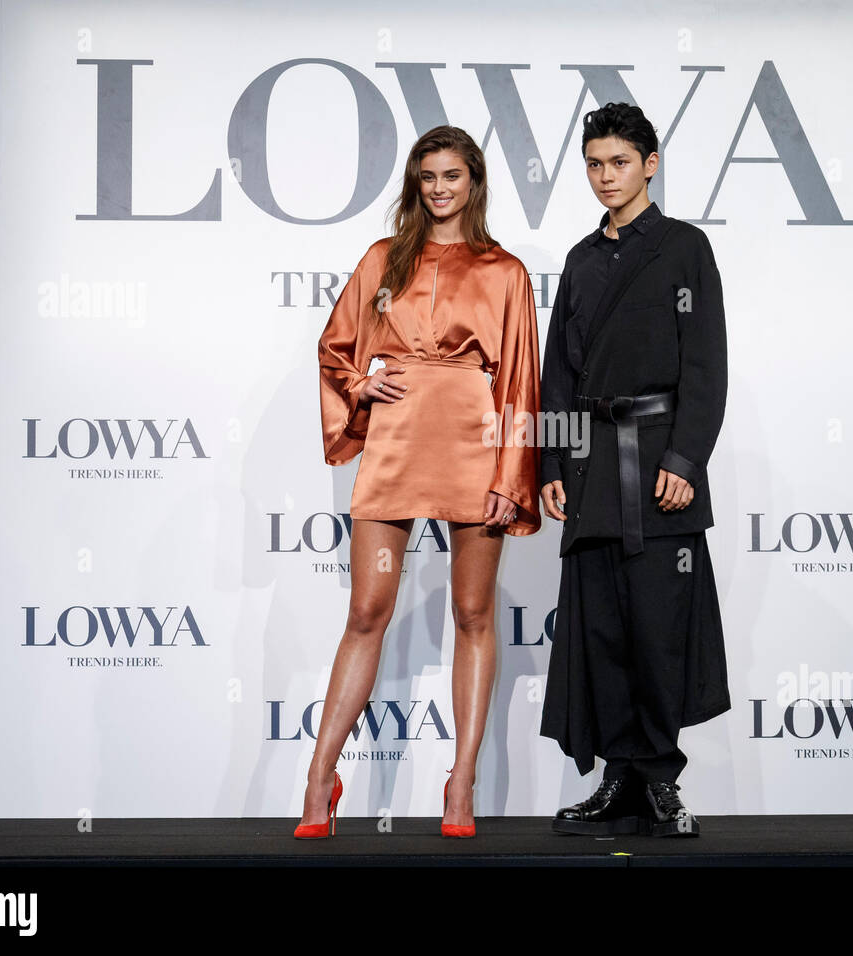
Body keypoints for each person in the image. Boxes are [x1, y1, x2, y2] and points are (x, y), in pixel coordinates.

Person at [295, 126, 542, 839]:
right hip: (398, 446)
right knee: (367, 611)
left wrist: (513, 475)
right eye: (428, 176)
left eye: (452, 176)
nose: (439, 188)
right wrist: (359, 386)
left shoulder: (506, 272)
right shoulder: (382, 261)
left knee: (473, 614)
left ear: (474, 183)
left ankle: (460, 783)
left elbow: (521, 383)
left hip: (474, 447)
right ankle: (320, 778)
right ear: (415, 184)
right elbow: (334, 348)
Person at [538, 102, 729, 837]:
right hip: (589, 467)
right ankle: (618, 779)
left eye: (619, 162)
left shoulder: (684, 249)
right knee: (602, 631)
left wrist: (684, 457)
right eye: (594, 164)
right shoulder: (582, 260)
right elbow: (558, 372)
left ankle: (657, 782)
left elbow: (705, 364)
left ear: (650, 164)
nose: (605, 176)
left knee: (658, 627)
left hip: (657, 465)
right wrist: (553, 458)